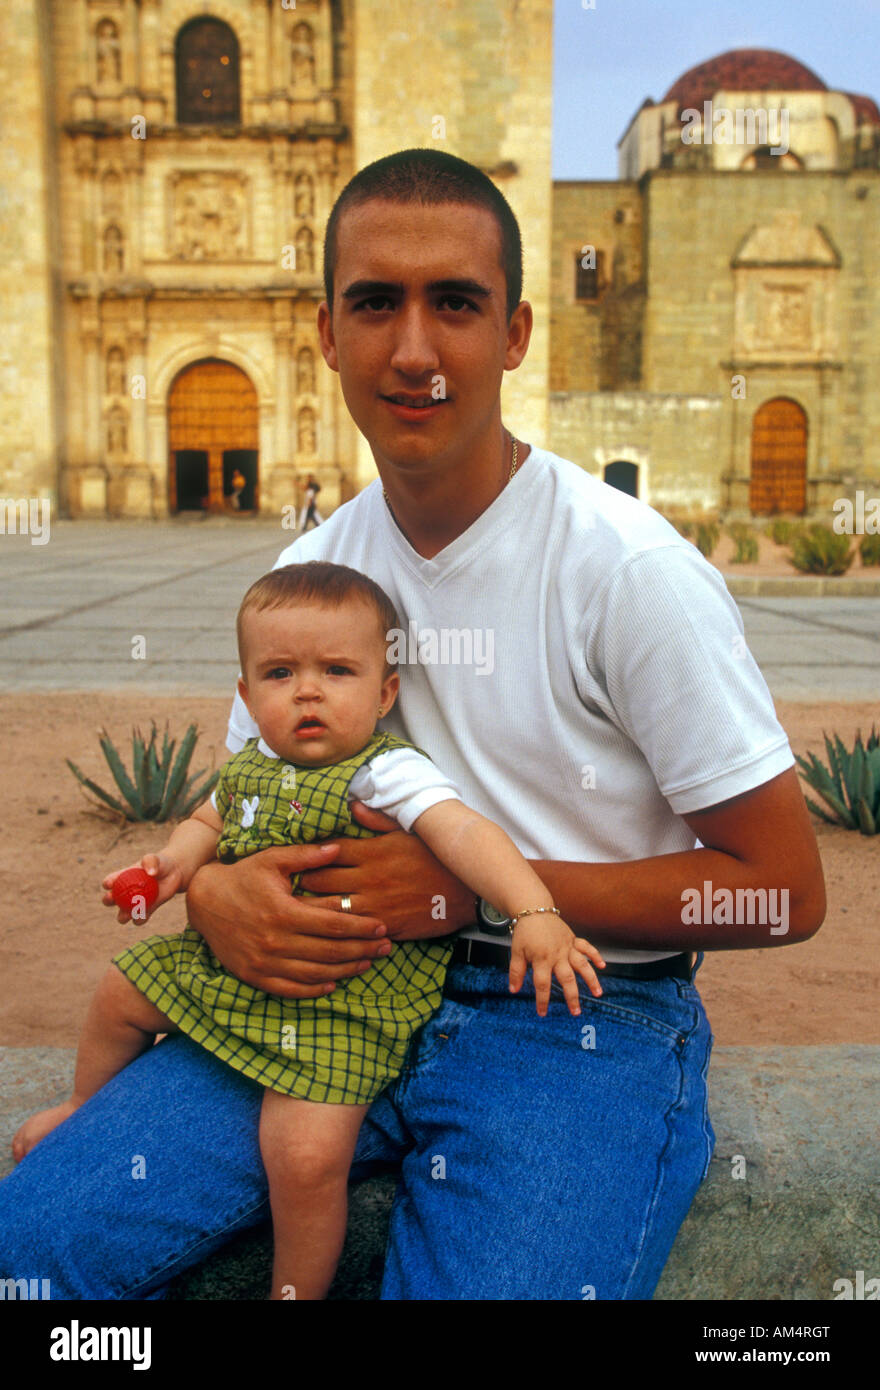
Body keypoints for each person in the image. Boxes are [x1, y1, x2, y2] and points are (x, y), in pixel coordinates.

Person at [0, 148, 825, 1301]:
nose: (414, 348)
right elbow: (243, 811)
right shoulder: (313, 567)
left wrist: (471, 890)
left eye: (456, 303)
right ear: (327, 334)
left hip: (575, 1018)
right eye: (376, 302)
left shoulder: (626, 570)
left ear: (517, 330)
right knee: (27, 1257)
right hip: (325, 993)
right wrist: (222, 890)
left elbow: (781, 888)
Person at [11, 560, 605, 1301]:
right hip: (234, 969)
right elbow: (208, 821)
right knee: (121, 989)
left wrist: (534, 911)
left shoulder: (383, 773)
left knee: (303, 1157)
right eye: (280, 673)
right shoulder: (252, 763)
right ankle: (82, 1105)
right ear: (245, 694)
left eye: (337, 671)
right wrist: (170, 870)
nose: (308, 691)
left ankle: (295, 1291)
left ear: (385, 693)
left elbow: (463, 834)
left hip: (338, 1004)